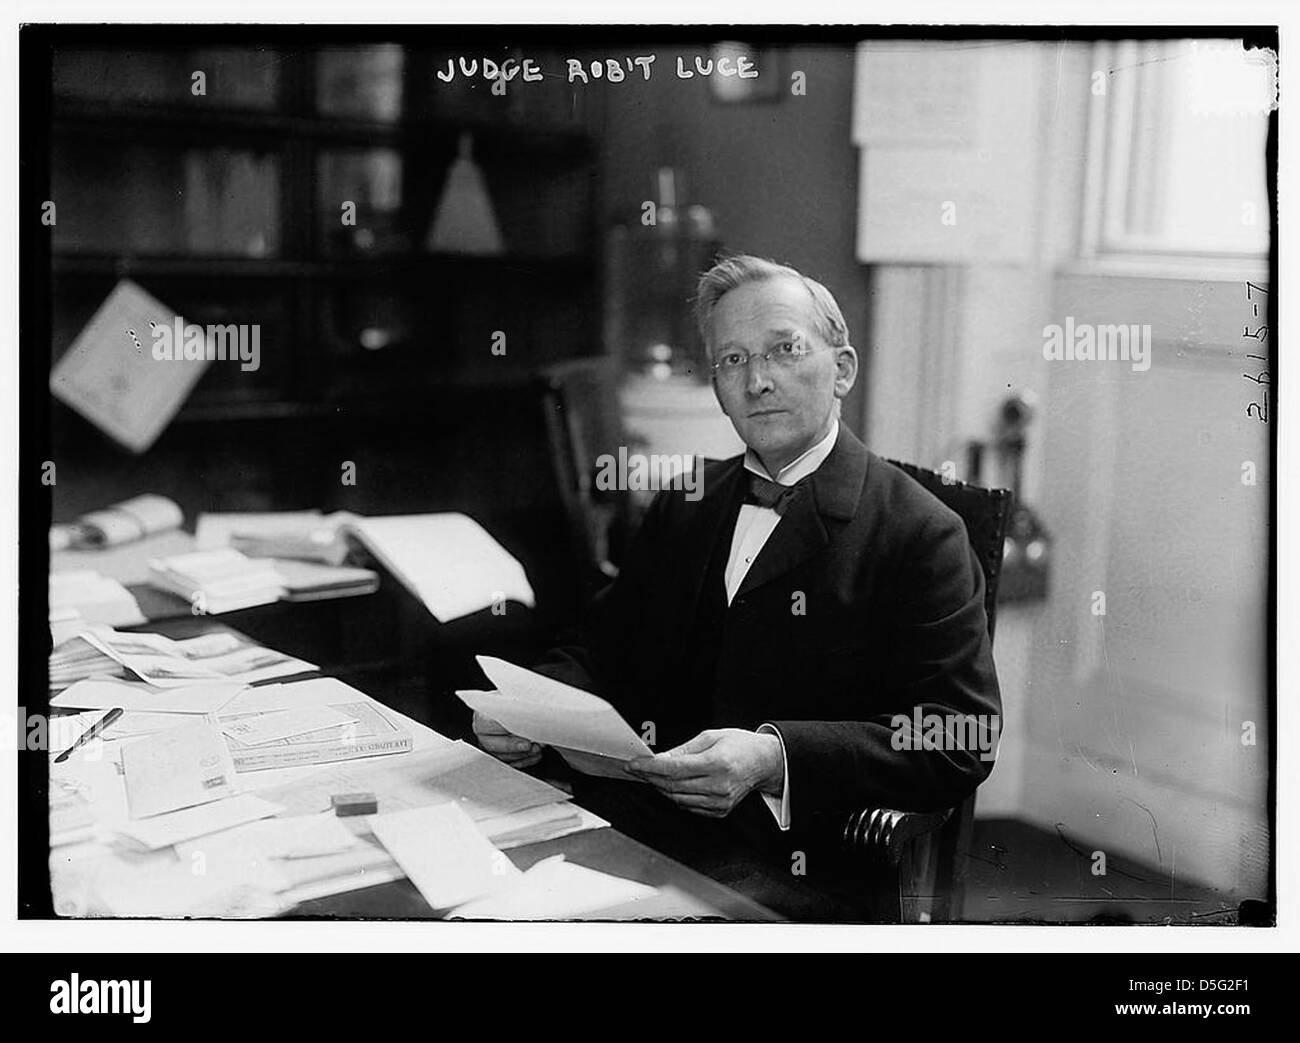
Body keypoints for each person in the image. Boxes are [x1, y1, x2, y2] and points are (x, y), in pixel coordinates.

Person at [473, 255, 1001, 918]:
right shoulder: (687, 501)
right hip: (640, 826)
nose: (758, 380)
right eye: (732, 360)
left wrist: (776, 756)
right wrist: (528, 710)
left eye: (784, 349)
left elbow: (961, 732)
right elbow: (600, 646)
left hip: (794, 863)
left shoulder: (921, 533)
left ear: (842, 369)